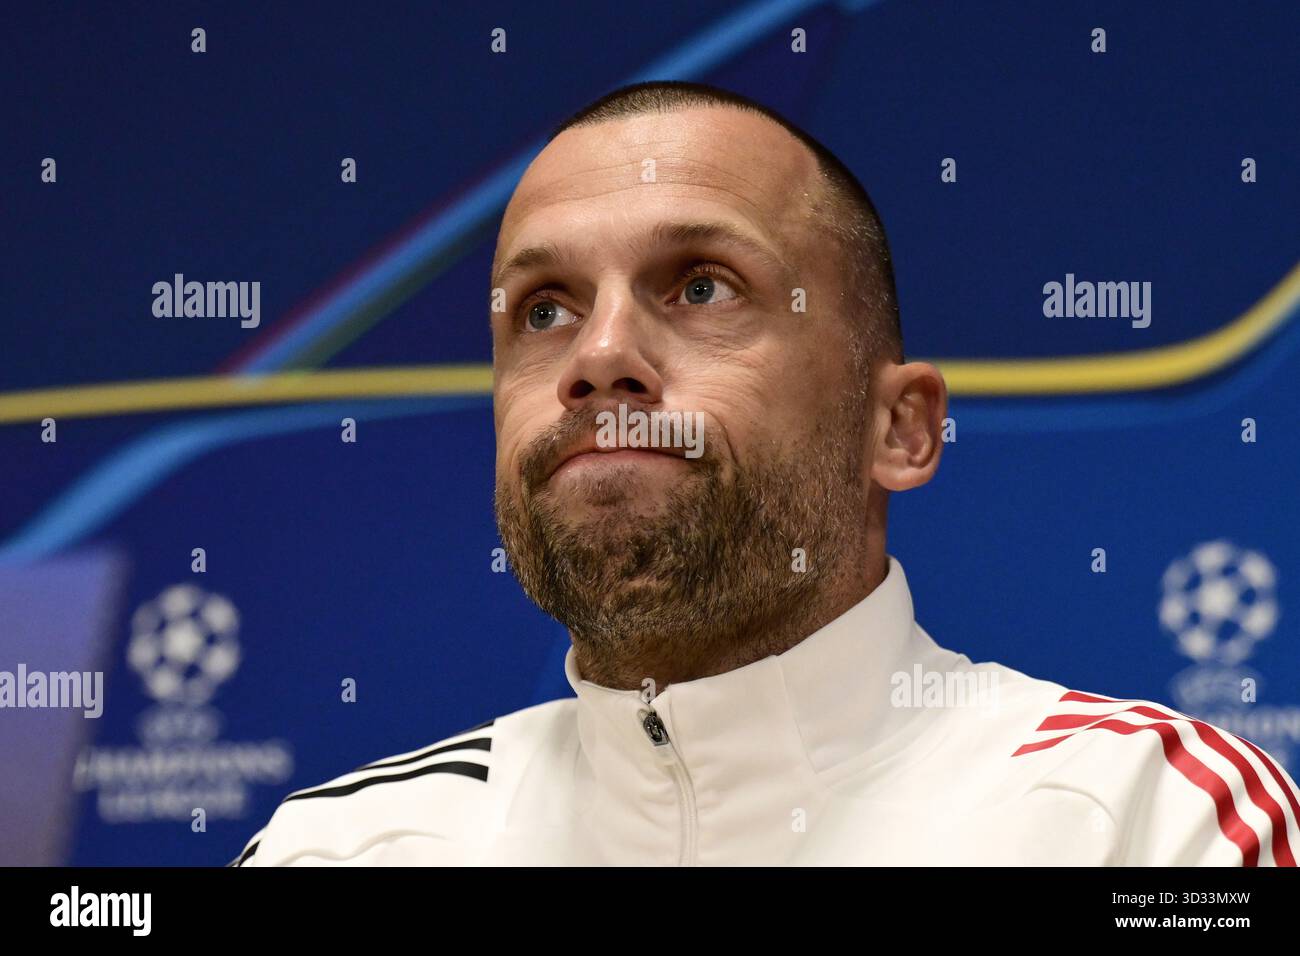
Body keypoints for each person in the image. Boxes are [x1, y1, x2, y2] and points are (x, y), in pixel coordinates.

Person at [231, 81, 1299, 866]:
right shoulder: (338, 849)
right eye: (543, 309)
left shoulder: (1153, 819)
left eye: (700, 287)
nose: (597, 356)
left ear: (900, 428)